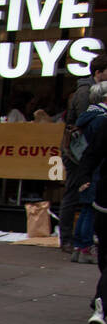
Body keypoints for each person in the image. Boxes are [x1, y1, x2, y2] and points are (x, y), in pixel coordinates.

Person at [59, 55, 107, 252]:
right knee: (75, 195)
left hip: (85, 153)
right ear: (98, 72)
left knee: (84, 198)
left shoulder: (90, 91)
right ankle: (70, 239)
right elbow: (85, 124)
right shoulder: (86, 92)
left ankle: (79, 240)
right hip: (78, 154)